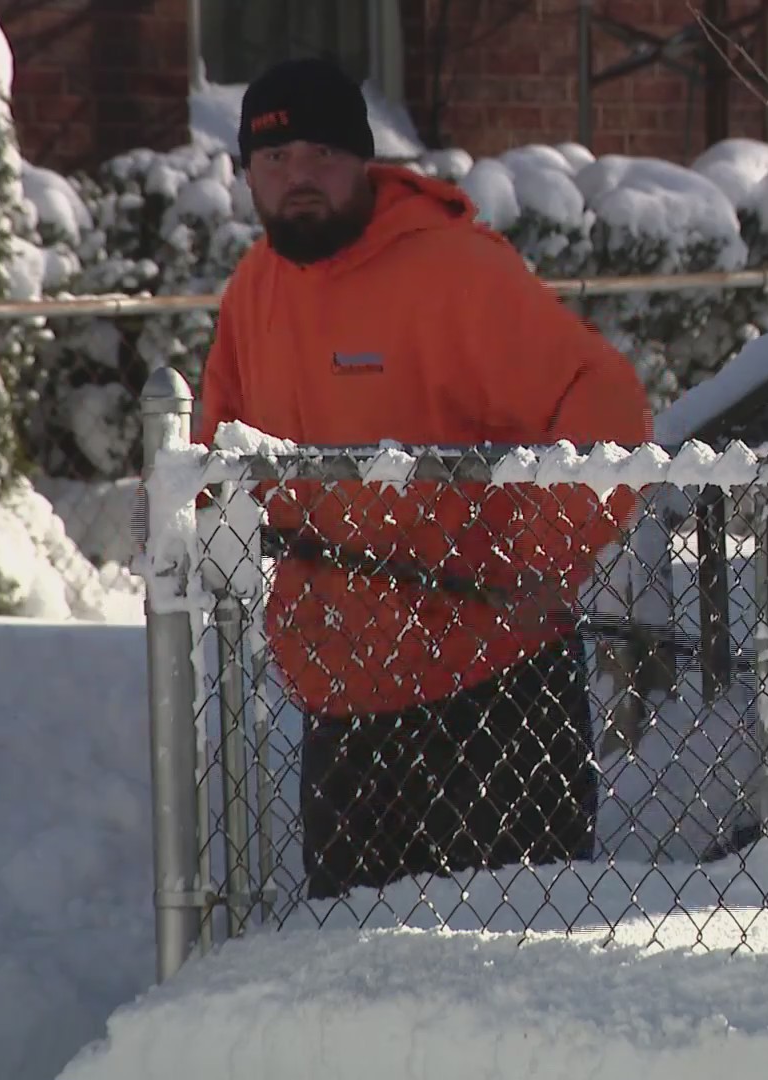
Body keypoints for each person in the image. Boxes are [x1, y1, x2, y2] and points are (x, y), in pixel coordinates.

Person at [196, 57, 652, 900]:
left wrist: (530, 555)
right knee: (363, 984)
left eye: (321, 157)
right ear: (248, 176)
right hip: (343, 706)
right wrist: (201, 528)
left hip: (491, 694)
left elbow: (610, 405)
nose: (298, 179)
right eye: (274, 161)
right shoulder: (252, 292)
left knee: (512, 964)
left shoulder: (456, 272)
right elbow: (215, 461)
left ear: (364, 162)